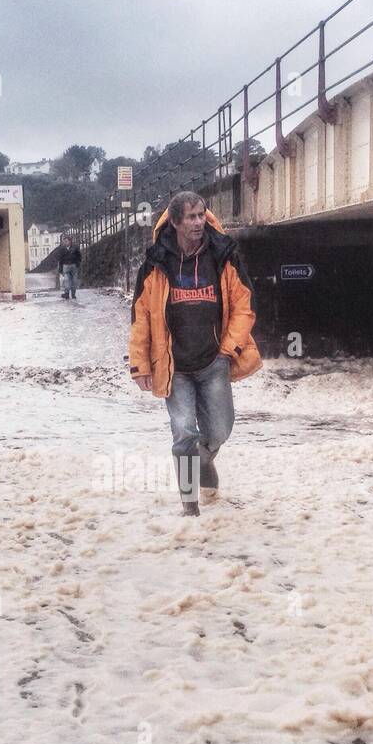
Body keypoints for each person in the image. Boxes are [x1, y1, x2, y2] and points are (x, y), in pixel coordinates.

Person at [128, 191, 261, 516]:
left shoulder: (223, 255)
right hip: (174, 366)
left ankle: (203, 463)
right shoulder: (157, 262)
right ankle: (190, 509)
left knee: (219, 431)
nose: (199, 222)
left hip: (214, 360)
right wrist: (140, 364)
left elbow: (245, 305)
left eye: (202, 215)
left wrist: (228, 349)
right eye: (191, 217)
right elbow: (140, 315)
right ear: (175, 222)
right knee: (184, 433)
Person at [56, 235, 82, 299]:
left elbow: (79, 256)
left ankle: (73, 294)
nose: (65, 243)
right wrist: (60, 269)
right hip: (65, 266)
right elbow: (60, 259)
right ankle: (67, 294)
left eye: (66, 241)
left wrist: (78, 264)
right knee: (67, 280)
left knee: (74, 281)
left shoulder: (75, 247)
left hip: (74, 266)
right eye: (64, 241)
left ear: (70, 241)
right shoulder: (62, 249)